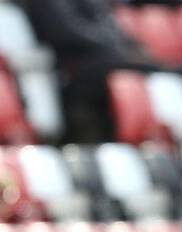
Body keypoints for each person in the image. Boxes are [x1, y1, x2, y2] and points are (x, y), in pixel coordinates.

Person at [20, 0, 159, 143]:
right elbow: (63, 31)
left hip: (101, 61)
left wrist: (126, 47)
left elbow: (108, 24)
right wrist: (112, 48)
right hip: (73, 67)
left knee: (153, 68)